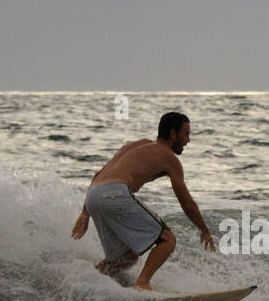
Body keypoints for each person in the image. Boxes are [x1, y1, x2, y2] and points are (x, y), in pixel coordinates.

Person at [71, 111, 216, 290]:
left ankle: (86, 284)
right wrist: (204, 230)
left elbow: (97, 175)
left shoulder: (136, 145)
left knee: (125, 259)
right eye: (185, 134)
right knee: (168, 240)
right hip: (114, 193)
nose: (188, 140)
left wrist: (85, 213)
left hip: (93, 195)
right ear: (173, 134)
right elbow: (186, 202)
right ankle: (142, 283)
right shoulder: (170, 158)